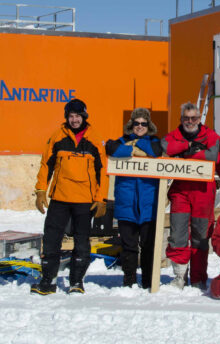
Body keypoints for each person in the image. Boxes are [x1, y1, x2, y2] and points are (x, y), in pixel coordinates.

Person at [31, 98, 107, 295]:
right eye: (71, 116)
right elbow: (46, 165)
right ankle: (48, 281)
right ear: (67, 118)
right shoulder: (57, 137)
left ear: (84, 117)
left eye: (78, 116)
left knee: (82, 242)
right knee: (51, 240)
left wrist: (101, 199)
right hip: (60, 198)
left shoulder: (94, 141)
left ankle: (76, 282)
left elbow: (102, 172)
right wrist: (40, 190)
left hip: (85, 201)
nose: (74, 120)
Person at [163, 102, 219, 289]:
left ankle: (198, 278)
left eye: (194, 118)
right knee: (178, 235)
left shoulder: (210, 135)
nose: (190, 121)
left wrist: (187, 155)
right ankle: (179, 276)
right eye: (186, 118)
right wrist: (188, 146)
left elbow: (214, 156)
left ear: (199, 119)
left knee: (200, 237)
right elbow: (165, 147)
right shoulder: (175, 135)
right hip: (181, 192)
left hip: (203, 192)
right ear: (181, 119)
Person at [105, 108, 162, 289]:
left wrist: (139, 147)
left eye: (143, 124)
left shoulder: (154, 141)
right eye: (136, 123)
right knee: (128, 246)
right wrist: (132, 150)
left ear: (149, 125)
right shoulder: (123, 141)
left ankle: (147, 281)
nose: (139, 127)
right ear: (131, 124)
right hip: (126, 202)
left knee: (147, 245)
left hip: (148, 204)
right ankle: (129, 280)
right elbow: (110, 147)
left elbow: (157, 150)